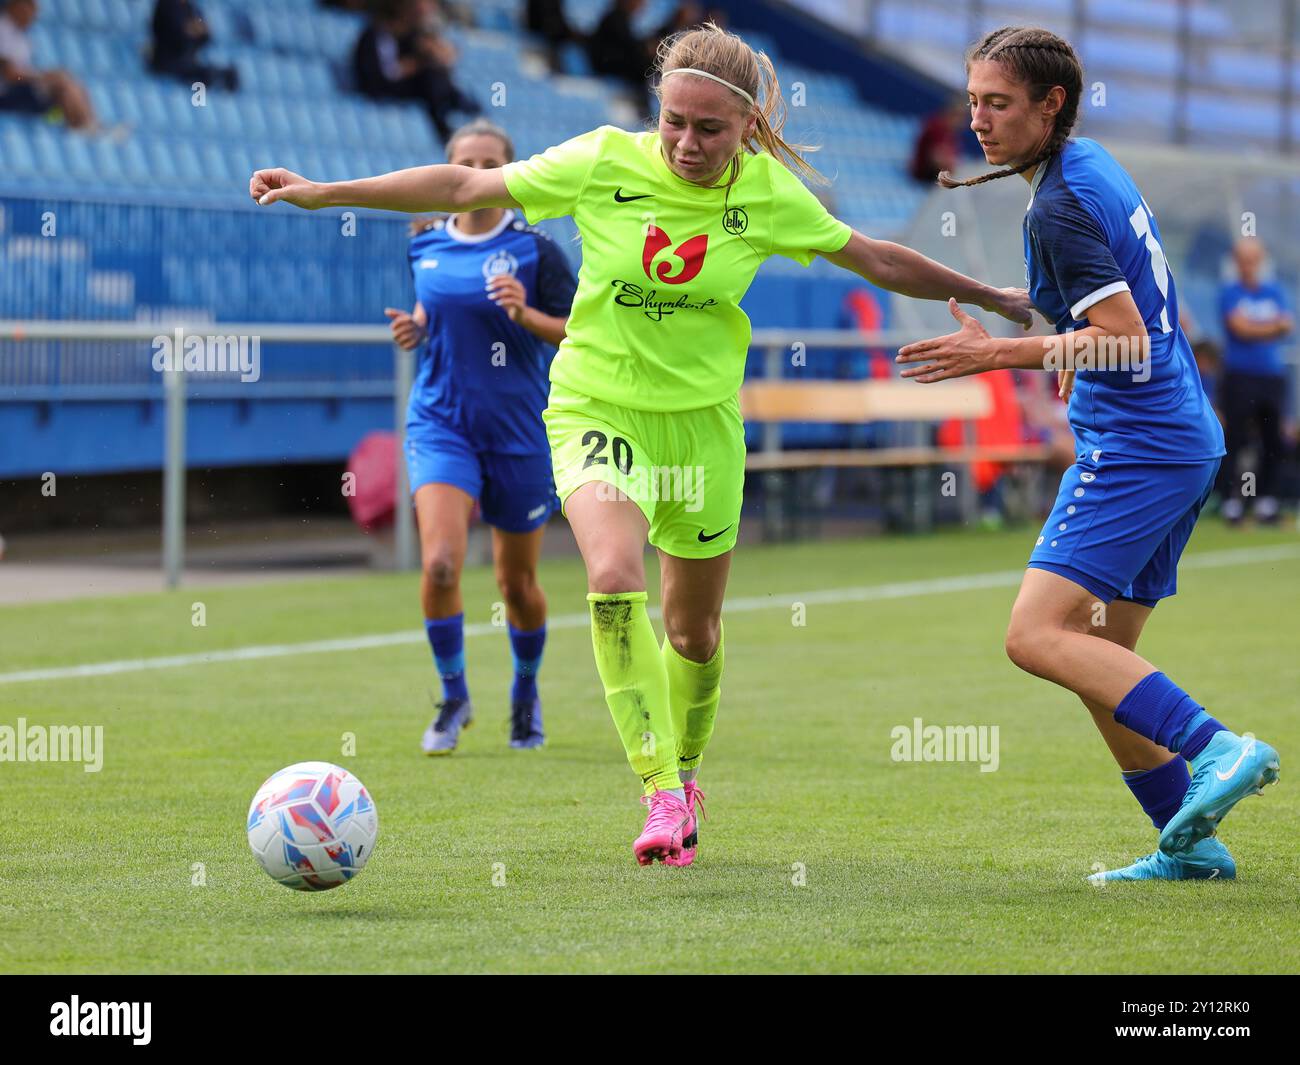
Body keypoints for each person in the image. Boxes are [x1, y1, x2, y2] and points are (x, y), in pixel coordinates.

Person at [251, 21, 1032, 867]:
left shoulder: (768, 194)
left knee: (693, 632)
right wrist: (327, 193)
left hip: (700, 428)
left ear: (746, 128)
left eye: (709, 129)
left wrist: (986, 292)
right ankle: (659, 786)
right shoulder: (603, 159)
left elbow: (874, 257)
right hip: (596, 406)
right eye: (673, 122)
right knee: (614, 577)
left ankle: (688, 772)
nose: (686, 144)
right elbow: (463, 181)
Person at [896, 26, 1280, 882]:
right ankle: (1191, 844)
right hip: (1180, 437)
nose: (980, 121)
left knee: (1034, 636)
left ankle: (1219, 747)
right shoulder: (1089, 162)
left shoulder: (1060, 203)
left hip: (1139, 445)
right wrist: (1067, 346)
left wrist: (999, 353)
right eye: (973, 102)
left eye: (999, 104)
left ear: (1051, 104)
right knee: (1099, 653)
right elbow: (1135, 311)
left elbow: (1128, 339)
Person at [385, 119, 576, 754]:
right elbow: (431, 313)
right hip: (442, 422)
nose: (474, 172)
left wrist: (527, 315)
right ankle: (454, 696)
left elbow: (581, 334)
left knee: (514, 585)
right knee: (440, 562)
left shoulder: (537, 251)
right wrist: (415, 329)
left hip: (518, 428)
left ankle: (525, 692)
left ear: (509, 174)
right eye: (464, 161)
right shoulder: (422, 241)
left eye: (489, 162)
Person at [1215, 237, 1293, 525]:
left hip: (1271, 376)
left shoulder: (1274, 291)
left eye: (1253, 260)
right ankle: (1231, 504)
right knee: (1235, 439)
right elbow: (1240, 328)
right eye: (1243, 260)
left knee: (1273, 440)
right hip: (1239, 376)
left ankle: (1266, 503)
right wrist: (1270, 327)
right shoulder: (1229, 292)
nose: (1248, 266)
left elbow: (1286, 324)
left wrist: (1257, 328)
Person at [352, 0, 477, 142]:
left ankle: (461, 108)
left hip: (400, 85)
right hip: (378, 87)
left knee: (436, 74)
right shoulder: (376, 35)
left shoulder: (411, 37)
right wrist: (418, 64)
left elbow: (447, 56)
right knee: (430, 76)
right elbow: (386, 73)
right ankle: (448, 121)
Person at [0, 0, 97, 129]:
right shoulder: (3, 30)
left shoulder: (21, 38)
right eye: (28, 11)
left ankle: (87, 124)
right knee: (61, 85)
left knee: (73, 84)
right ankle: (81, 127)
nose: (31, 17)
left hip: (19, 89)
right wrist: (42, 77)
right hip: (6, 93)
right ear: (16, 7)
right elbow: (10, 75)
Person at [149, 0, 239, 92]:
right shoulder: (166, 5)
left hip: (187, 61)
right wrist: (190, 31)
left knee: (223, 75)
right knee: (203, 77)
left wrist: (197, 31)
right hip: (167, 62)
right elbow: (174, 32)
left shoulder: (189, 7)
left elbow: (204, 34)